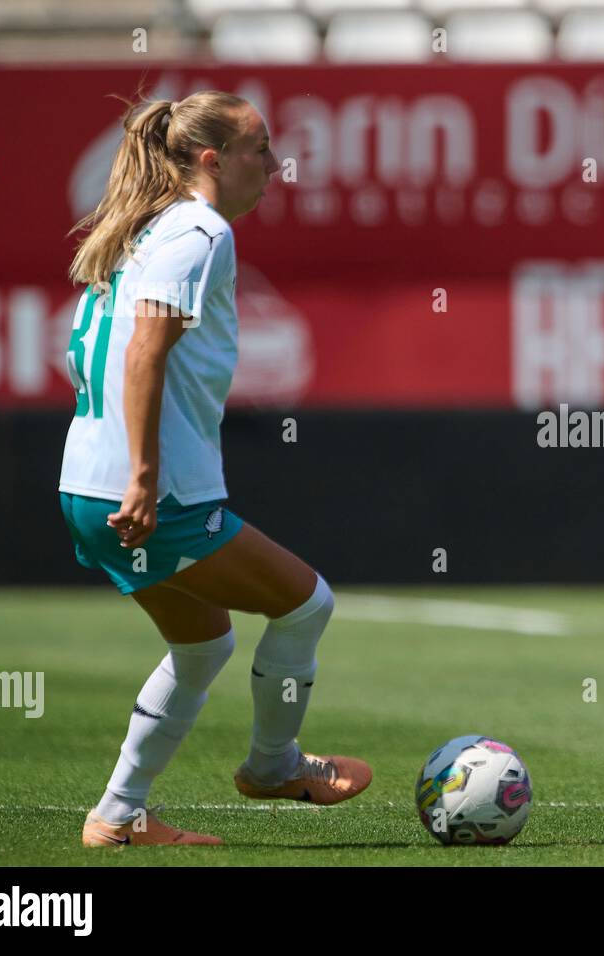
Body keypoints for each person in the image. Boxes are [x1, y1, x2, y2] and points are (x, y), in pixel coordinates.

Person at [60, 90, 371, 847]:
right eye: (259, 150)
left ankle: (119, 815)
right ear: (213, 160)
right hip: (149, 492)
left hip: (82, 483)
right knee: (306, 604)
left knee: (203, 643)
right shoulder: (200, 232)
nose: (273, 165)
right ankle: (274, 765)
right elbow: (144, 351)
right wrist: (142, 475)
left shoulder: (140, 228)